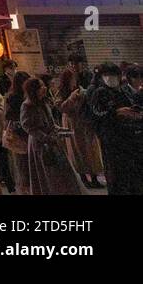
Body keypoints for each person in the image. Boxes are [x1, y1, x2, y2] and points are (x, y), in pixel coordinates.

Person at [86, 62, 143, 194]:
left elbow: (130, 106)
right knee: (117, 176)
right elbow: (97, 115)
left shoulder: (120, 90)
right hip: (112, 141)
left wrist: (132, 113)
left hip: (127, 138)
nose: (112, 78)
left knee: (130, 176)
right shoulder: (98, 92)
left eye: (115, 75)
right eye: (108, 75)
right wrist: (116, 112)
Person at [20, 77, 83, 195]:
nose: (44, 88)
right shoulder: (27, 105)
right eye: (41, 87)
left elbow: (51, 123)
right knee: (47, 175)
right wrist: (46, 137)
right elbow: (29, 127)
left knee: (62, 173)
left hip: (53, 142)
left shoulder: (44, 102)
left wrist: (64, 131)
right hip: (40, 145)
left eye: (44, 85)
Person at [55, 68, 103, 188]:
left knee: (90, 150)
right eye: (72, 78)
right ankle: (83, 178)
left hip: (84, 122)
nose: (74, 80)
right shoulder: (61, 92)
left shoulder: (79, 89)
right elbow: (61, 108)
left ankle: (94, 177)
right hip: (73, 124)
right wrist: (71, 98)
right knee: (78, 151)